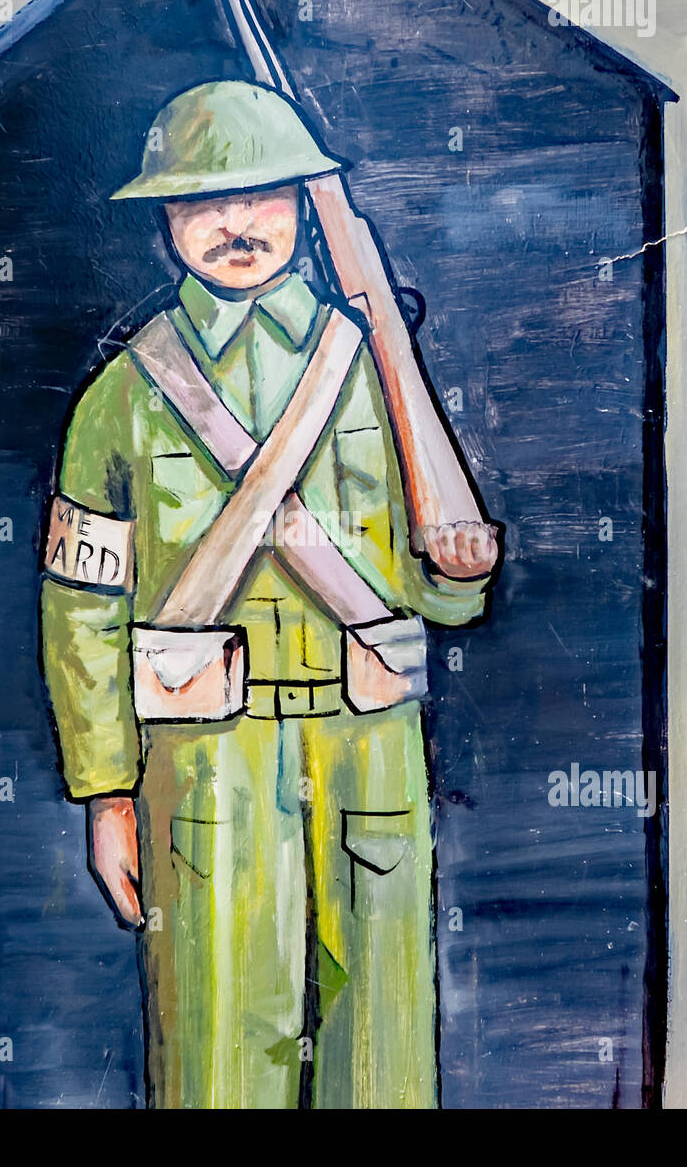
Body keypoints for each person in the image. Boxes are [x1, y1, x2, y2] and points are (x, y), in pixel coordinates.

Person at [41, 79, 498, 1108]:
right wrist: (107, 793)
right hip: (203, 765)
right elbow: (81, 610)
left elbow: (444, 585)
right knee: (214, 1052)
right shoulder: (122, 395)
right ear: (166, 220)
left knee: (380, 1049)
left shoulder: (379, 365)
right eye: (203, 201)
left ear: (303, 206)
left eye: (261, 195)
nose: (236, 223)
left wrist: (462, 576)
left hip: (368, 747)